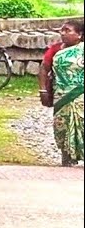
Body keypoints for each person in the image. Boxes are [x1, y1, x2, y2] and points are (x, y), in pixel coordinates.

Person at [40, 19, 84, 166]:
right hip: (61, 95)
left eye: (67, 30)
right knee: (62, 126)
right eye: (62, 30)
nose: (63, 33)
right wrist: (43, 90)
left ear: (79, 35)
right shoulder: (55, 50)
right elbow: (44, 68)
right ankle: (66, 158)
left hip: (81, 94)